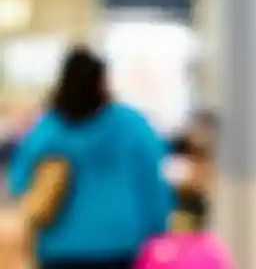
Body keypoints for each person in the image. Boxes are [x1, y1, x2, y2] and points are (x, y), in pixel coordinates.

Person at [10, 47, 173, 269]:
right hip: (120, 244)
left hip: (58, 247)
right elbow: (153, 185)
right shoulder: (132, 125)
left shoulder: (48, 130)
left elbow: (20, 181)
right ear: (102, 81)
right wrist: (158, 230)